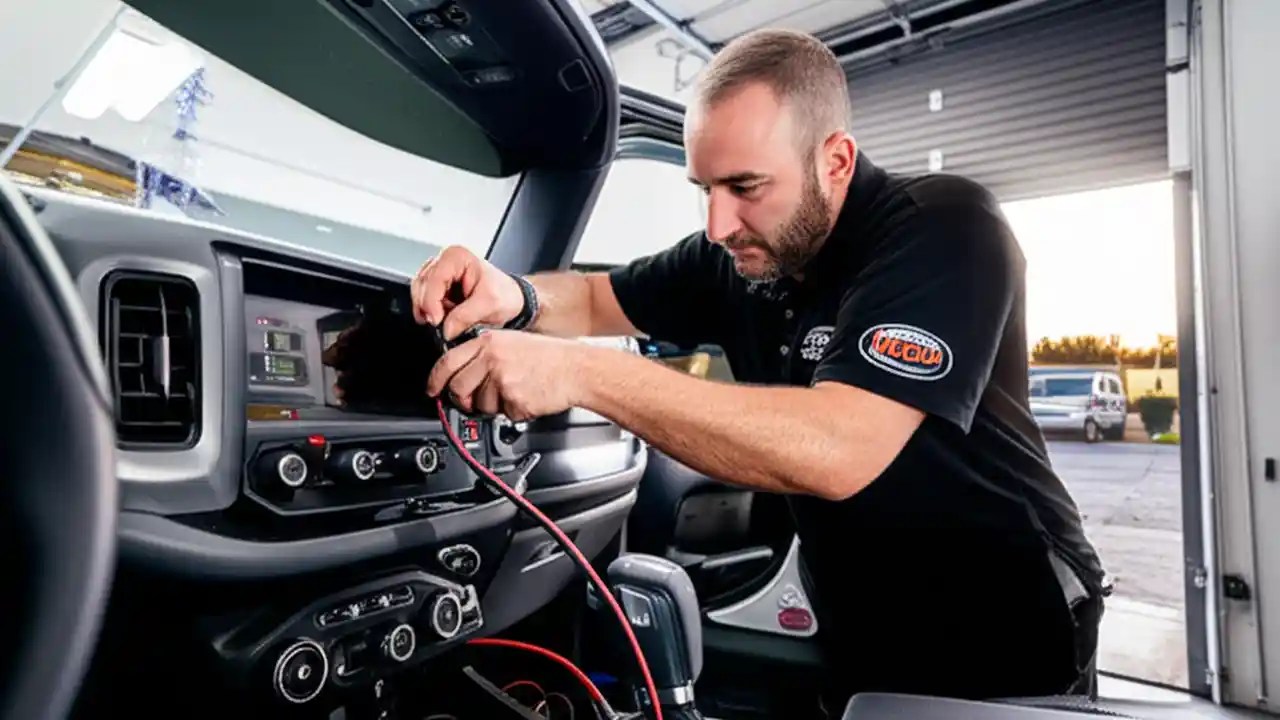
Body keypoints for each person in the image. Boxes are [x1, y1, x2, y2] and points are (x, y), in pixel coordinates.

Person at [411, 27, 1106, 715]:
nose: (718, 224)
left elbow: (841, 447)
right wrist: (515, 294)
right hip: (864, 622)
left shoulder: (944, 230)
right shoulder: (741, 257)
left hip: (1006, 619)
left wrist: (579, 375)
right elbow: (598, 297)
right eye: (705, 188)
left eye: (745, 186)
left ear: (834, 161)